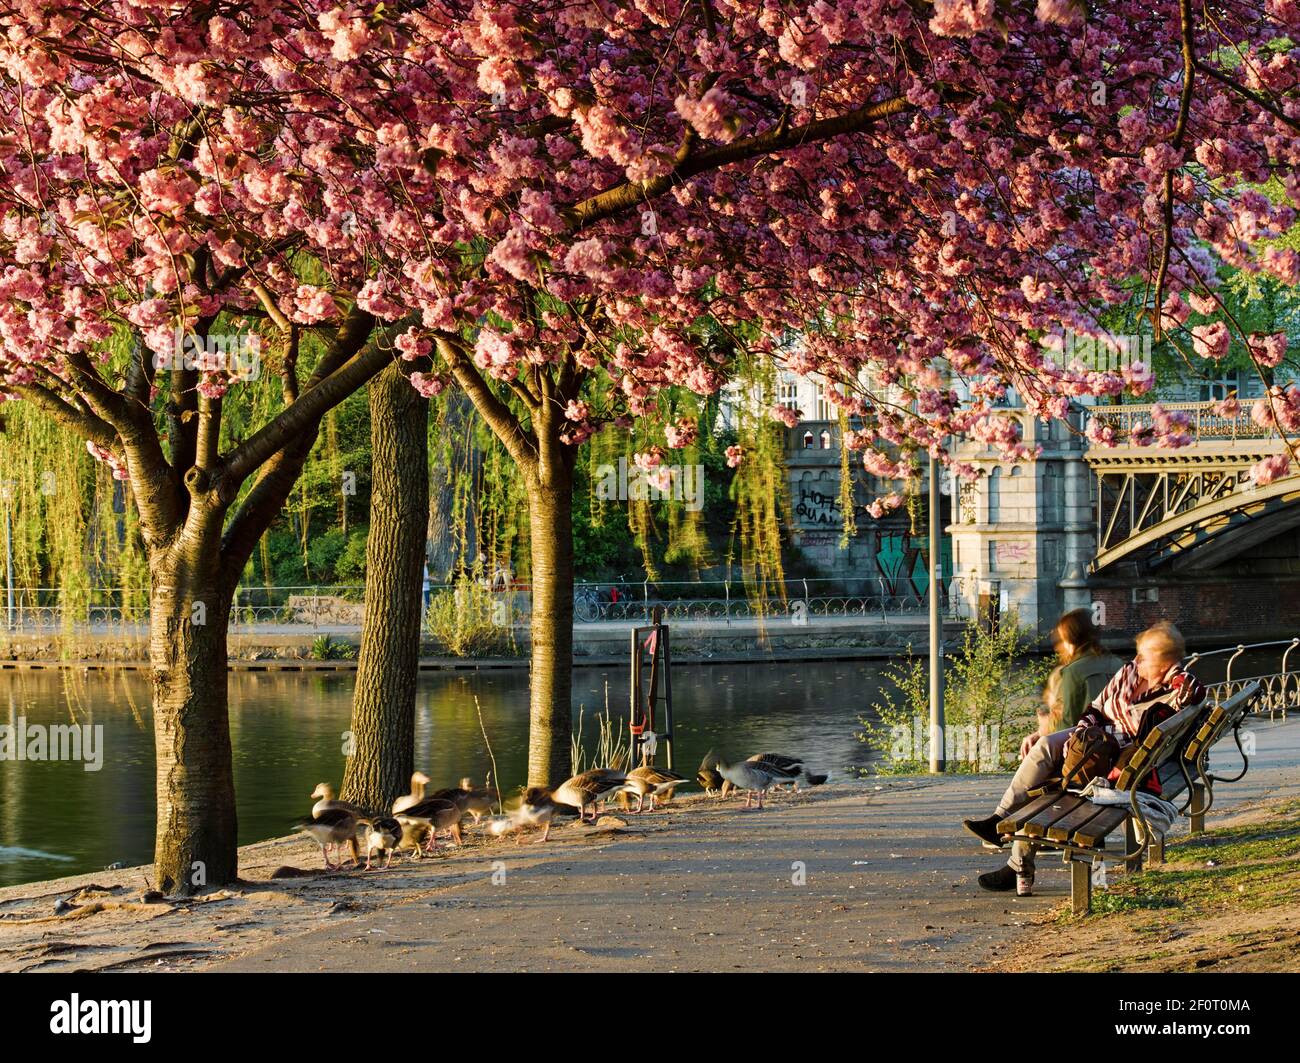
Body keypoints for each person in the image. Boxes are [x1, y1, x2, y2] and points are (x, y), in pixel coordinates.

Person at [963, 620, 1205, 896]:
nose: (1137, 659)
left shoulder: (1174, 693)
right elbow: (1098, 707)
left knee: (1047, 786)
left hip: (1111, 759)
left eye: (1146, 655)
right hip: (1094, 738)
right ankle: (1000, 818)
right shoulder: (1130, 673)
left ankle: (1018, 866)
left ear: (1166, 662)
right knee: (1043, 746)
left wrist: (1175, 674)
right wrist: (1082, 731)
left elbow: (1196, 691)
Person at [1022, 609, 1124, 758]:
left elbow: (1068, 724)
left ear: (1068, 638)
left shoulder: (1073, 671)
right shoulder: (1117, 663)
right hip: (1114, 744)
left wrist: (1044, 727)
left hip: (1086, 750)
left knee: (1031, 760)